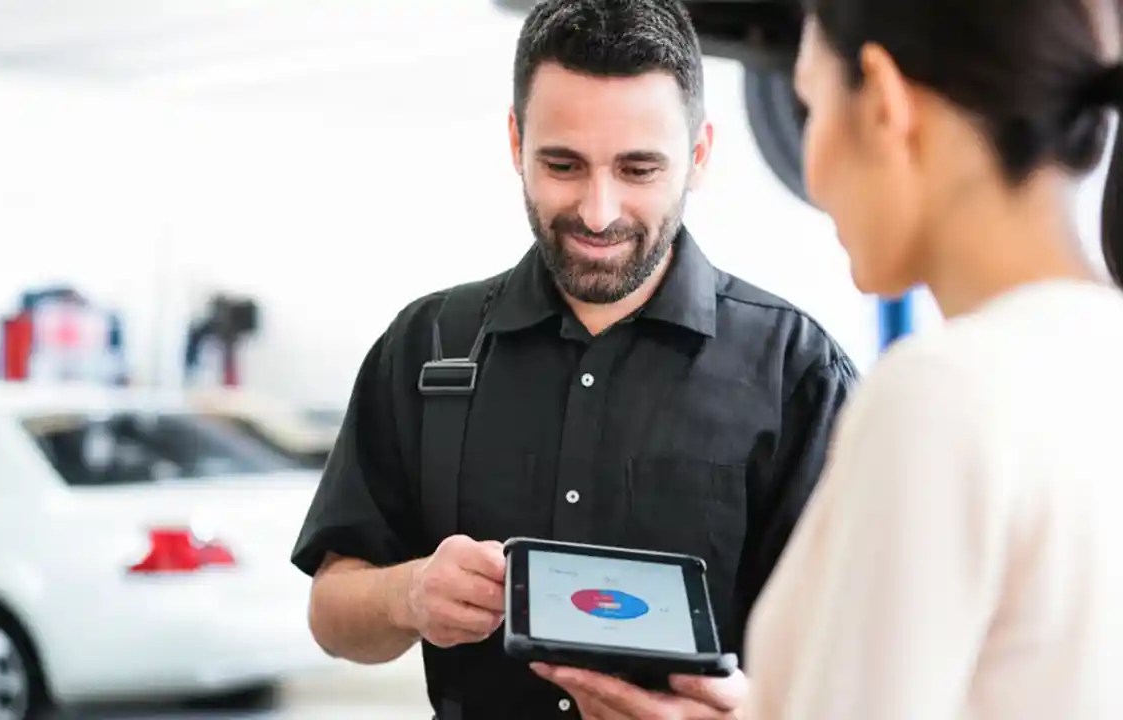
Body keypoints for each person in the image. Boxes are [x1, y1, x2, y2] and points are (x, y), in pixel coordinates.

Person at [290, 1, 857, 717]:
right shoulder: (426, 347)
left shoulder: (797, 373)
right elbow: (332, 616)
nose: (598, 211)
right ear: (515, 142)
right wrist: (408, 594)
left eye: (639, 169)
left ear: (699, 156)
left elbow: (865, 669)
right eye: (563, 165)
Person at [740, 0, 1123, 718]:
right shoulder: (1098, 360)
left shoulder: (942, 395)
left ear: (884, 104)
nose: (811, 171)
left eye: (810, 107)